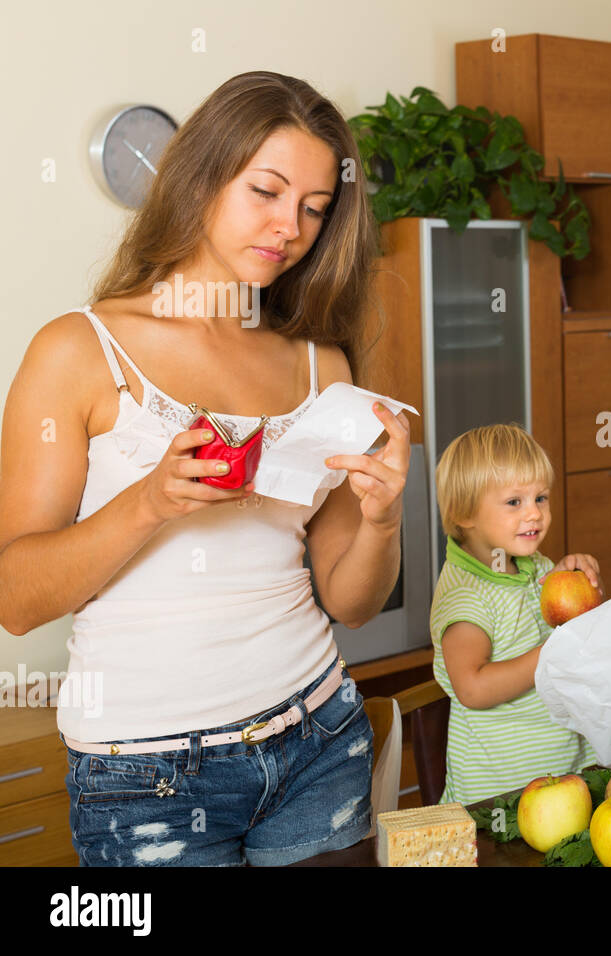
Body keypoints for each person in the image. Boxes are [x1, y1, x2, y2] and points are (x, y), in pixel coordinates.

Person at [0, 72, 411, 866]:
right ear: (202, 176)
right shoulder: (80, 351)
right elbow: (16, 600)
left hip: (319, 737)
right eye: (266, 190)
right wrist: (150, 503)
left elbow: (352, 602)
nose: (289, 226)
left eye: (315, 208)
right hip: (146, 774)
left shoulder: (318, 360)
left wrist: (382, 517)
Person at [429, 424, 601, 805]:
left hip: (565, 774)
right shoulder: (466, 596)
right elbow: (472, 688)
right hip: (502, 797)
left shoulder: (529, 564)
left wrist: (571, 578)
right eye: (514, 502)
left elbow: (558, 618)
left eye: (540, 498)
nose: (534, 514)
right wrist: (552, 652)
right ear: (464, 513)